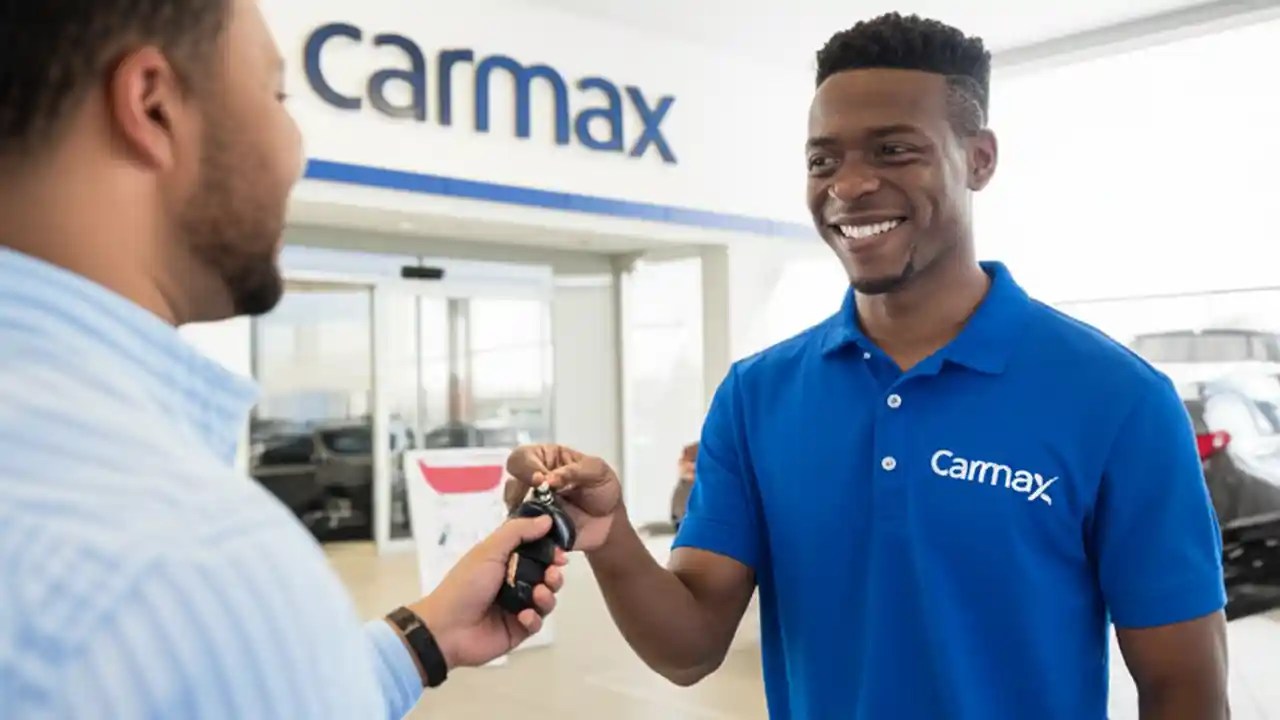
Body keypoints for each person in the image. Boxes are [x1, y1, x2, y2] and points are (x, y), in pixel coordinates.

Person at [505, 13, 1230, 720]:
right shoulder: (757, 397)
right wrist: (611, 536)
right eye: (824, 159)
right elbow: (690, 648)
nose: (848, 185)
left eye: (893, 151)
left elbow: (1185, 688)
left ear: (979, 159)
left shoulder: (1115, 400)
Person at [0, 0, 564, 717]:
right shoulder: (199, 569)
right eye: (275, 94)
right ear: (153, 106)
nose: (295, 147)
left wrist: (422, 640)